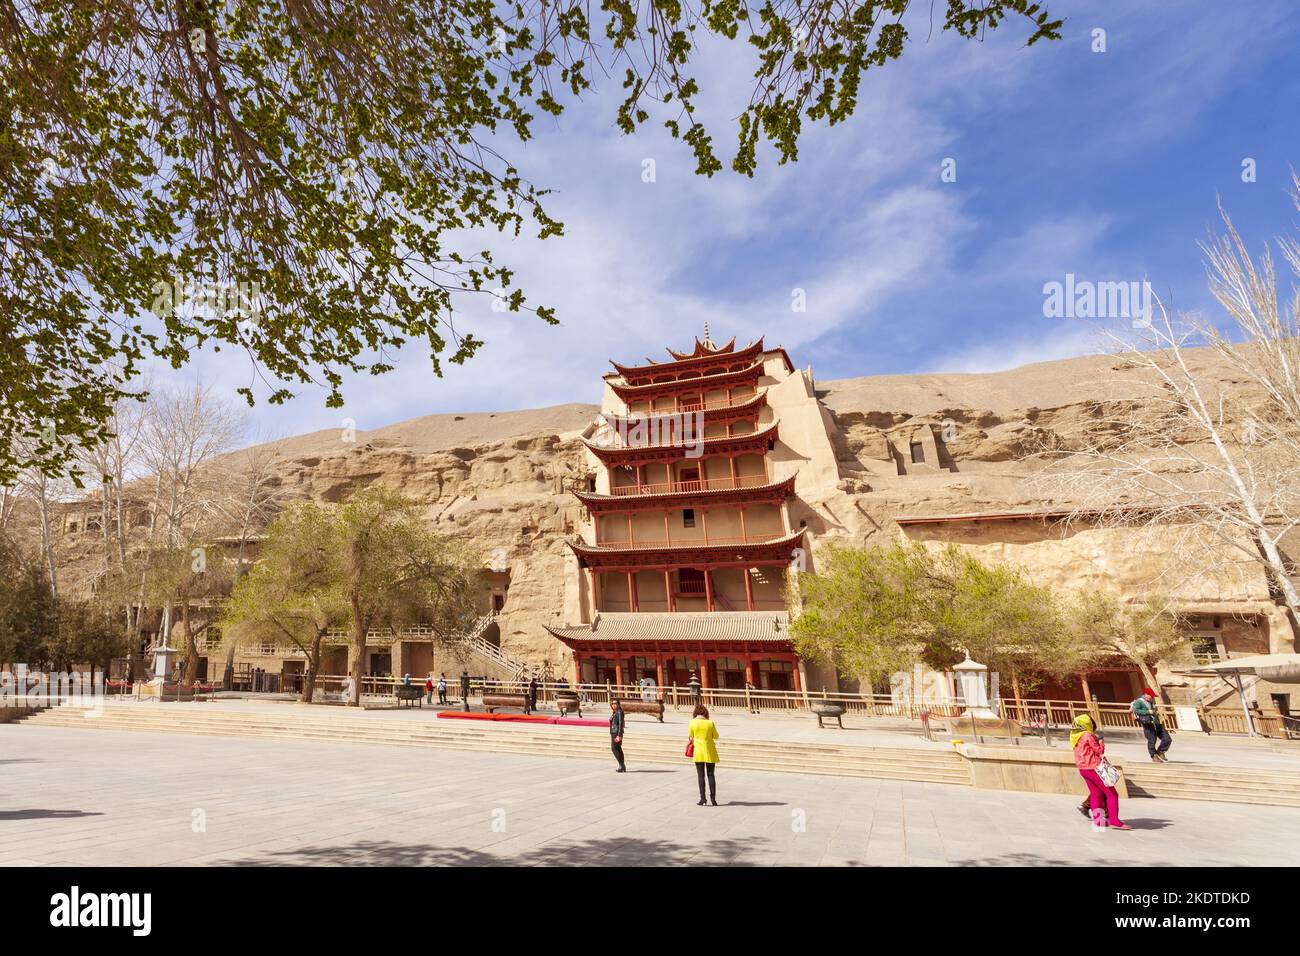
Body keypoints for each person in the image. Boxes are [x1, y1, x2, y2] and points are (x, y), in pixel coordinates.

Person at [1071, 714, 1130, 830]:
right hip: (1094, 768)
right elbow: (1099, 751)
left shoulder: (1074, 736)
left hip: (1083, 769)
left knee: (1095, 794)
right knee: (1111, 794)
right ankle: (1114, 820)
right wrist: (1101, 742)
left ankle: (1099, 821)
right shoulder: (1088, 735)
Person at [689, 704, 720, 806]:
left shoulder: (692, 722)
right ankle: (713, 799)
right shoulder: (710, 723)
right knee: (711, 775)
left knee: (700, 775)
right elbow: (716, 736)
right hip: (710, 750)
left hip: (698, 751)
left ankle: (703, 799)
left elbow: (690, 736)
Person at [1131, 687, 1171, 762]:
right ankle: (1154, 755)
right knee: (1152, 740)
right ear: (1146, 694)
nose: (1152, 697)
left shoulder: (1151, 702)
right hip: (1148, 723)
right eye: (1151, 696)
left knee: (1167, 739)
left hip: (1156, 722)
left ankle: (1161, 751)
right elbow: (1135, 710)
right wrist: (1147, 712)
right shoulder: (1139, 702)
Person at [609, 699, 627, 772]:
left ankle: (622, 765)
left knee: (614, 749)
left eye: (615, 703)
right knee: (618, 749)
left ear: (619, 704)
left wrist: (619, 735)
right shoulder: (615, 712)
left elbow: (620, 724)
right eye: (612, 703)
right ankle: (622, 766)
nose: (614, 705)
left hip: (616, 733)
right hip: (614, 732)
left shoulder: (619, 712)